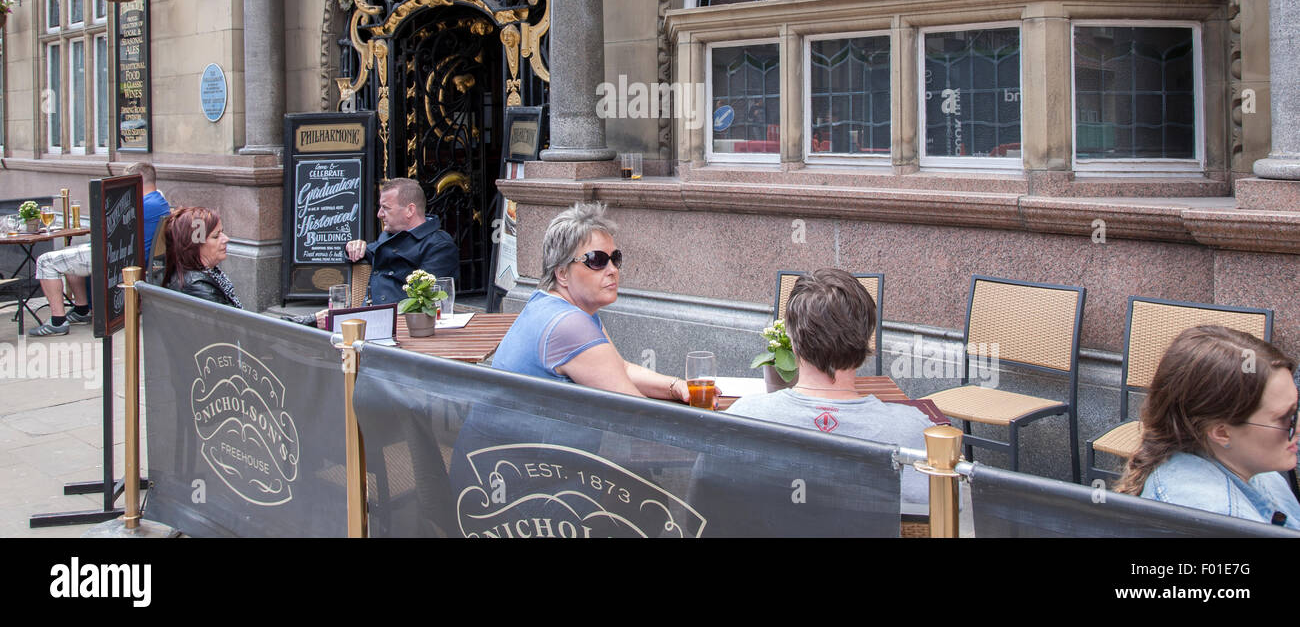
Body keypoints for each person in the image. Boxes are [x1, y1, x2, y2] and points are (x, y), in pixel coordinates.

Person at [725, 268, 934, 509]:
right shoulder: (917, 432)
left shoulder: (741, 419)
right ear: (867, 339)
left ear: (792, 339)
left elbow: (701, 515)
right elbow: (942, 520)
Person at [491, 202, 689, 402]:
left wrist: (676, 386)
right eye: (596, 260)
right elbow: (634, 410)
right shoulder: (569, 325)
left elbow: (619, 368)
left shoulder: (549, 305)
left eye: (615, 258)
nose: (612, 269)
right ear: (562, 273)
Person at [1116, 325, 1300, 528]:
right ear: (1221, 432)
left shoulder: (1251, 465)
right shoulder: (1221, 519)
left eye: (1296, 409)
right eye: (1285, 418)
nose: (1297, 426)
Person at [30, 161, 170, 336]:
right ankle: (81, 309)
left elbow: (105, 230)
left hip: (118, 258)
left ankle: (58, 321)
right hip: (130, 255)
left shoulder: (141, 205)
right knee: (69, 257)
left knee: (46, 261)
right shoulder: (158, 200)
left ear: (138, 180)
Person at [165, 206, 324, 327]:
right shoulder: (197, 286)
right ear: (195, 245)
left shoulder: (205, 274)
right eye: (216, 236)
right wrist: (310, 321)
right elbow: (248, 328)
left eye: (222, 232)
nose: (225, 239)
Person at [345, 178, 458, 305]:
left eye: (385, 208)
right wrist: (354, 247)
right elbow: (370, 252)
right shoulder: (389, 236)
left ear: (410, 210)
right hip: (370, 314)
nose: (379, 214)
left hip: (403, 319)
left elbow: (424, 299)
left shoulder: (439, 246)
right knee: (321, 318)